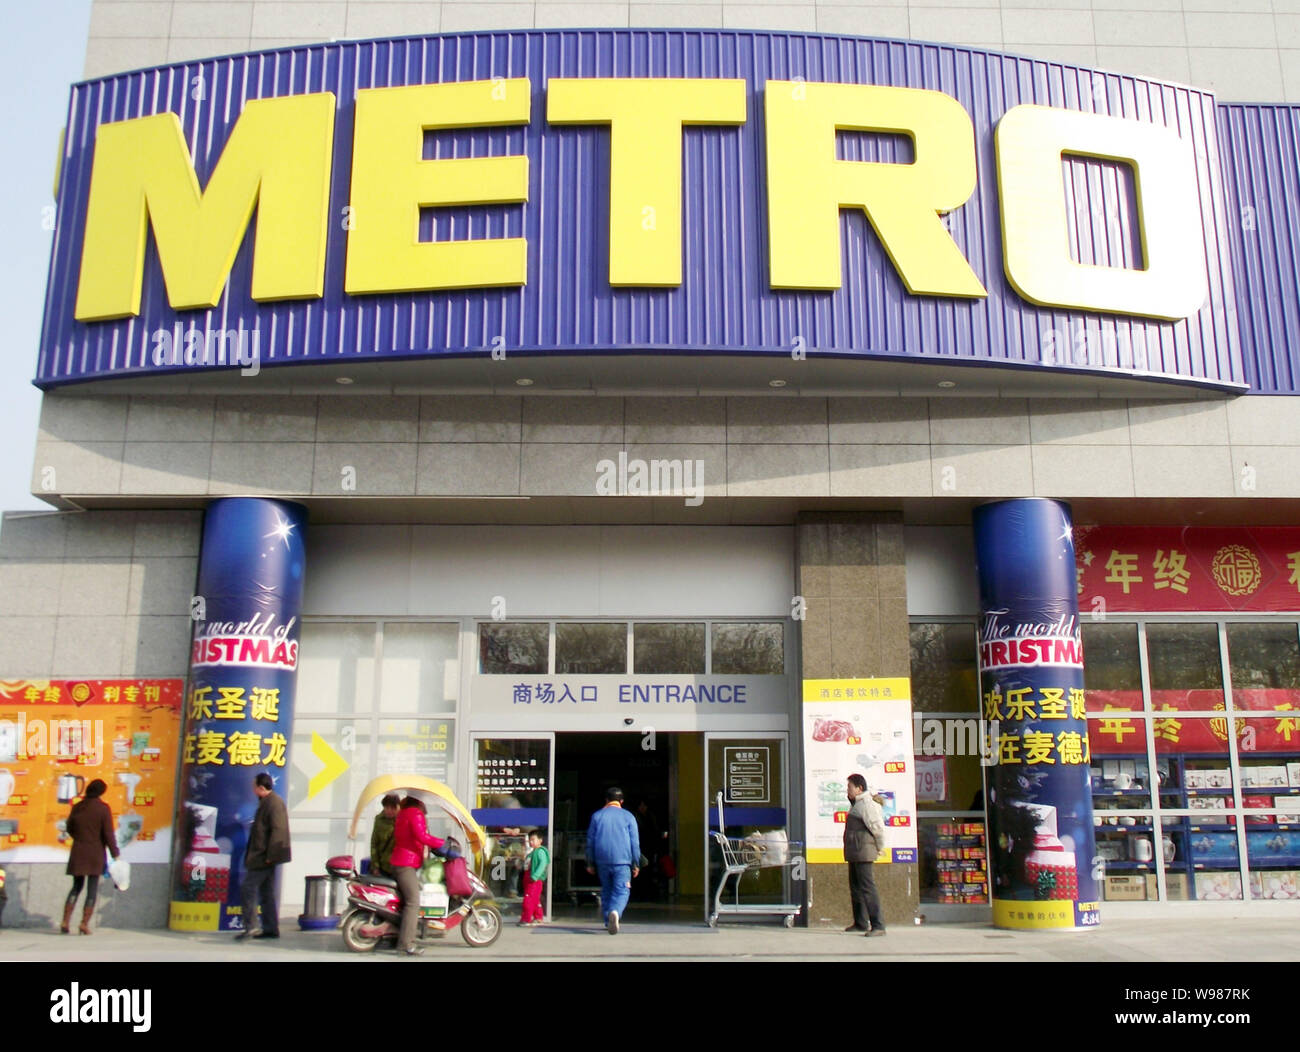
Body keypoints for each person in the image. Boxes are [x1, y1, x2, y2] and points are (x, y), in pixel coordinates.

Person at [390, 796, 449, 956]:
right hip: (406, 863)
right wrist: (442, 843)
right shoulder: (415, 813)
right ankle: (406, 945)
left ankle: (399, 935)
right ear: (419, 801)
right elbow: (421, 836)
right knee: (413, 902)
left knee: (406, 900)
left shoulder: (403, 813)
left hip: (399, 860)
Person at [60, 778, 120, 935]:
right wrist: (115, 853)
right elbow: (108, 834)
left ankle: (65, 921)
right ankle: (84, 924)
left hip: (78, 851)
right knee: (92, 889)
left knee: (76, 887)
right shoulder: (103, 809)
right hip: (95, 853)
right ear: (101, 792)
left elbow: (69, 827)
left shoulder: (78, 807)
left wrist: (79, 838)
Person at [237, 772, 291, 940]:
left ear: (261, 787)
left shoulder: (274, 803)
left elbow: (278, 830)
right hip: (263, 856)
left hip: (264, 857)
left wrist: (271, 856)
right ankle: (270, 928)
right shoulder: (266, 802)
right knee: (266, 892)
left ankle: (251, 926)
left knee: (248, 888)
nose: (252, 789)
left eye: (254, 786)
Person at [585, 787, 640, 934]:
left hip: (602, 861)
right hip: (622, 861)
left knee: (607, 890)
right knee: (622, 890)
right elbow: (634, 843)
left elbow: (590, 841)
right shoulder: (628, 816)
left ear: (606, 800)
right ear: (622, 801)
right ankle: (615, 911)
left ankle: (607, 920)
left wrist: (590, 862)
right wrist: (636, 863)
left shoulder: (597, 816)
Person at [843, 773, 887, 937]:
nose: (847, 790)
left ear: (859, 788)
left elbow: (877, 828)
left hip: (864, 852)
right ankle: (860, 922)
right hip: (855, 851)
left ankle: (878, 925)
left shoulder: (867, 804)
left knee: (868, 888)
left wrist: (880, 848)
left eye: (850, 787)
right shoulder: (856, 804)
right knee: (856, 888)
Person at [520, 830, 550, 926]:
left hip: (534, 880)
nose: (531, 842)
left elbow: (542, 864)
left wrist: (535, 876)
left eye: (533, 839)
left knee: (528, 899)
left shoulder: (540, 852)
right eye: (530, 840)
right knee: (535, 899)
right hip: (529, 879)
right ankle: (538, 917)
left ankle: (526, 919)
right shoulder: (532, 853)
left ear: (540, 840)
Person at [369, 794, 400, 878]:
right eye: (386, 807)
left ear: (398, 807)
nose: (389, 811)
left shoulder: (404, 819)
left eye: (393, 808)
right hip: (383, 866)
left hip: (400, 866)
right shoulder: (379, 820)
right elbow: (374, 843)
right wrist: (375, 866)